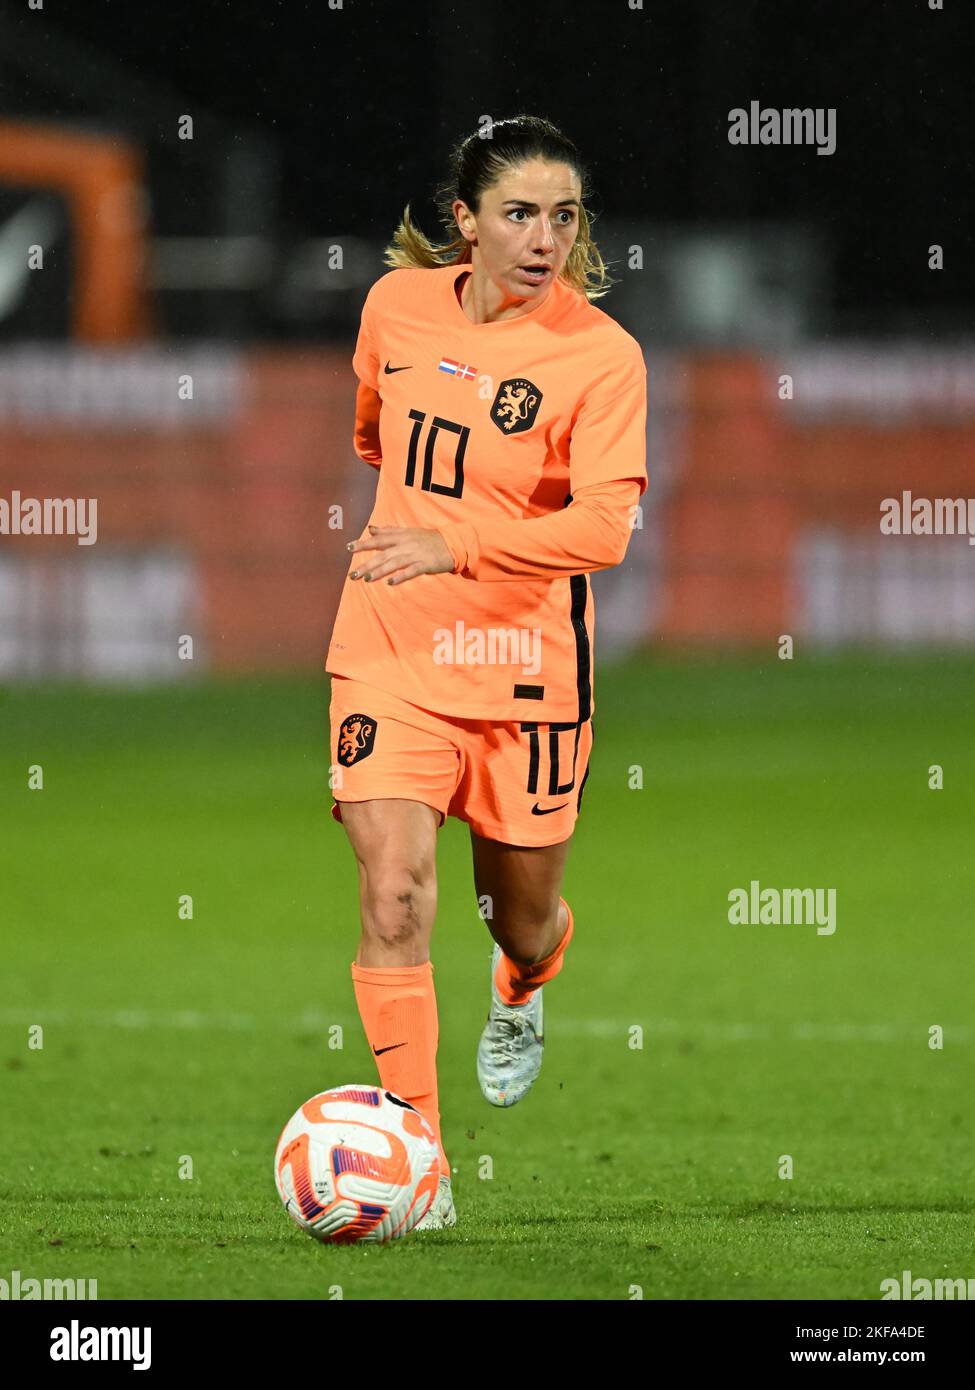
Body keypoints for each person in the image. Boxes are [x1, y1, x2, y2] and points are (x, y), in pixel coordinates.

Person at [325, 114, 647, 1230]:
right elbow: (377, 428)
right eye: (519, 213)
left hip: (524, 667)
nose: (545, 236)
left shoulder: (601, 356)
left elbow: (604, 529)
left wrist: (455, 542)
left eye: (564, 215)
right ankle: (419, 1159)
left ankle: (526, 983)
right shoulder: (394, 308)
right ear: (465, 223)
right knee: (397, 890)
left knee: (519, 914)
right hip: (393, 647)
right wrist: (418, 545)